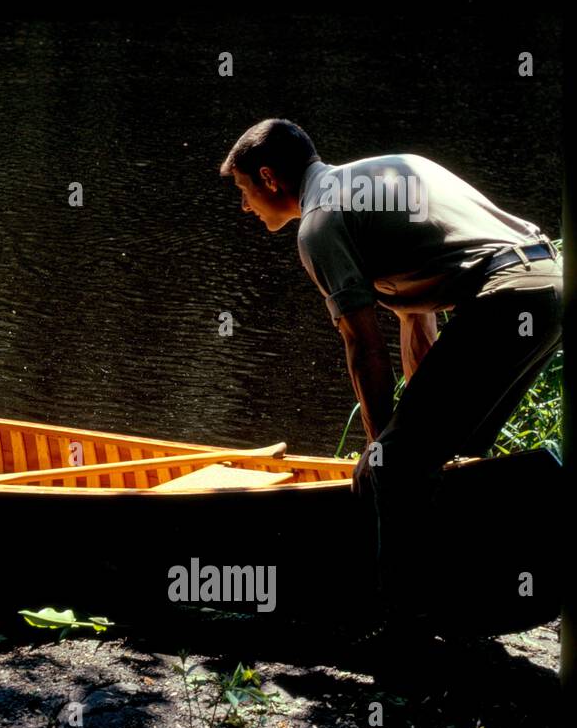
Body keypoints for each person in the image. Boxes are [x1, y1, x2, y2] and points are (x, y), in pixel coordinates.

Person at [219, 118, 562, 617]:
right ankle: (462, 581)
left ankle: (402, 630)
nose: (245, 206)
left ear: (270, 178)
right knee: (440, 450)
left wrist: (382, 452)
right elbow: (418, 327)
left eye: (246, 191)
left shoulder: (319, 222)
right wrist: (401, 438)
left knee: (395, 466)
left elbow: (364, 345)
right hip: (549, 284)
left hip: (506, 296)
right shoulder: (377, 181)